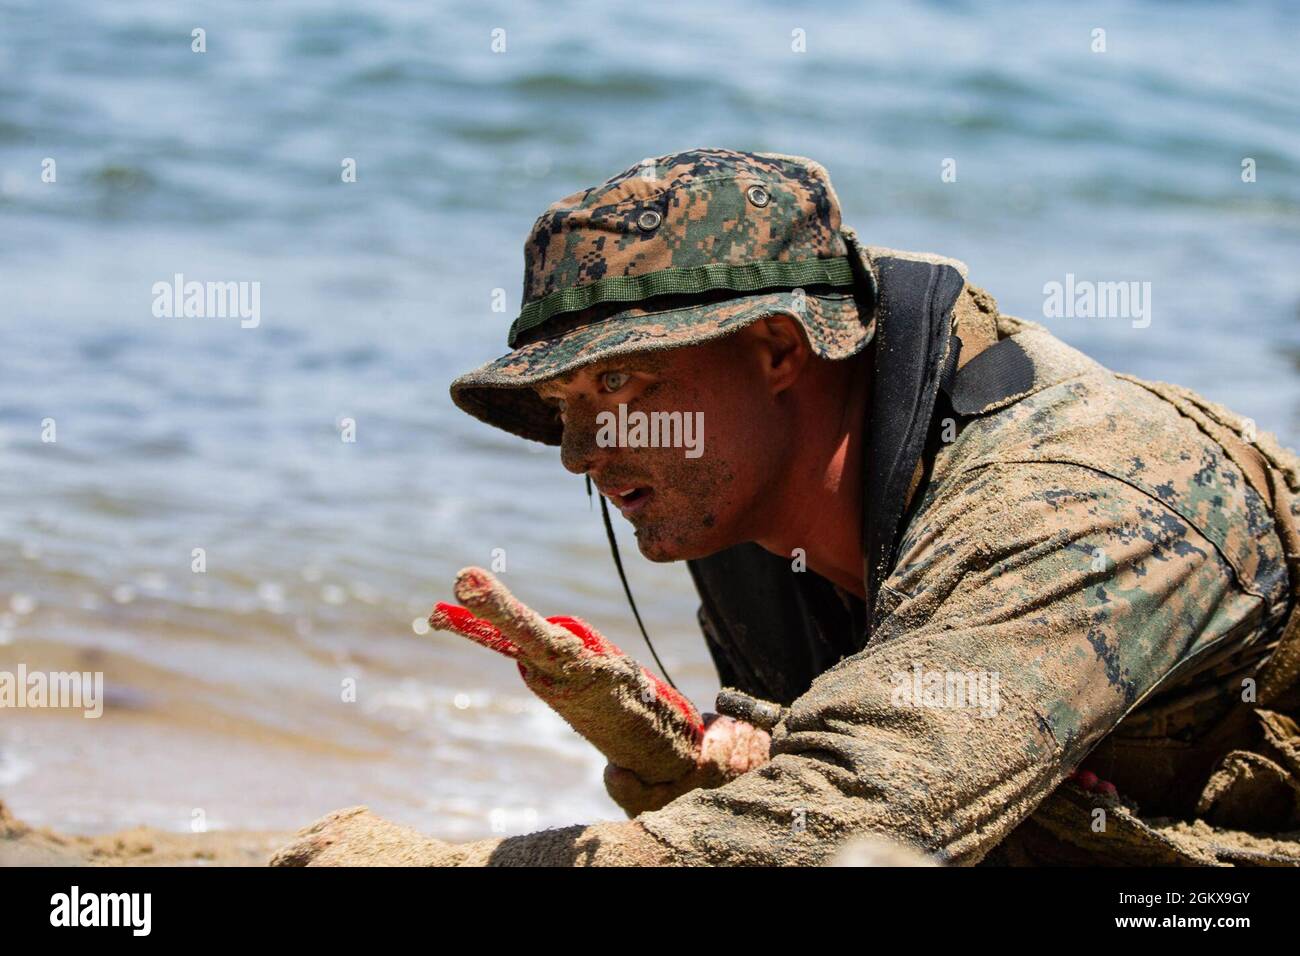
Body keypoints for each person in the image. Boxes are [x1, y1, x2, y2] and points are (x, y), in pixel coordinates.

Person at [272, 149, 1300, 867]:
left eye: (619, 389)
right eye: (561, 406)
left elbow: (855, 825)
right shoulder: (738, 499)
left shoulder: (1074, 498)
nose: (584, 454)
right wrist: (670, 753)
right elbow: (820, 796)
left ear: (776, 350)